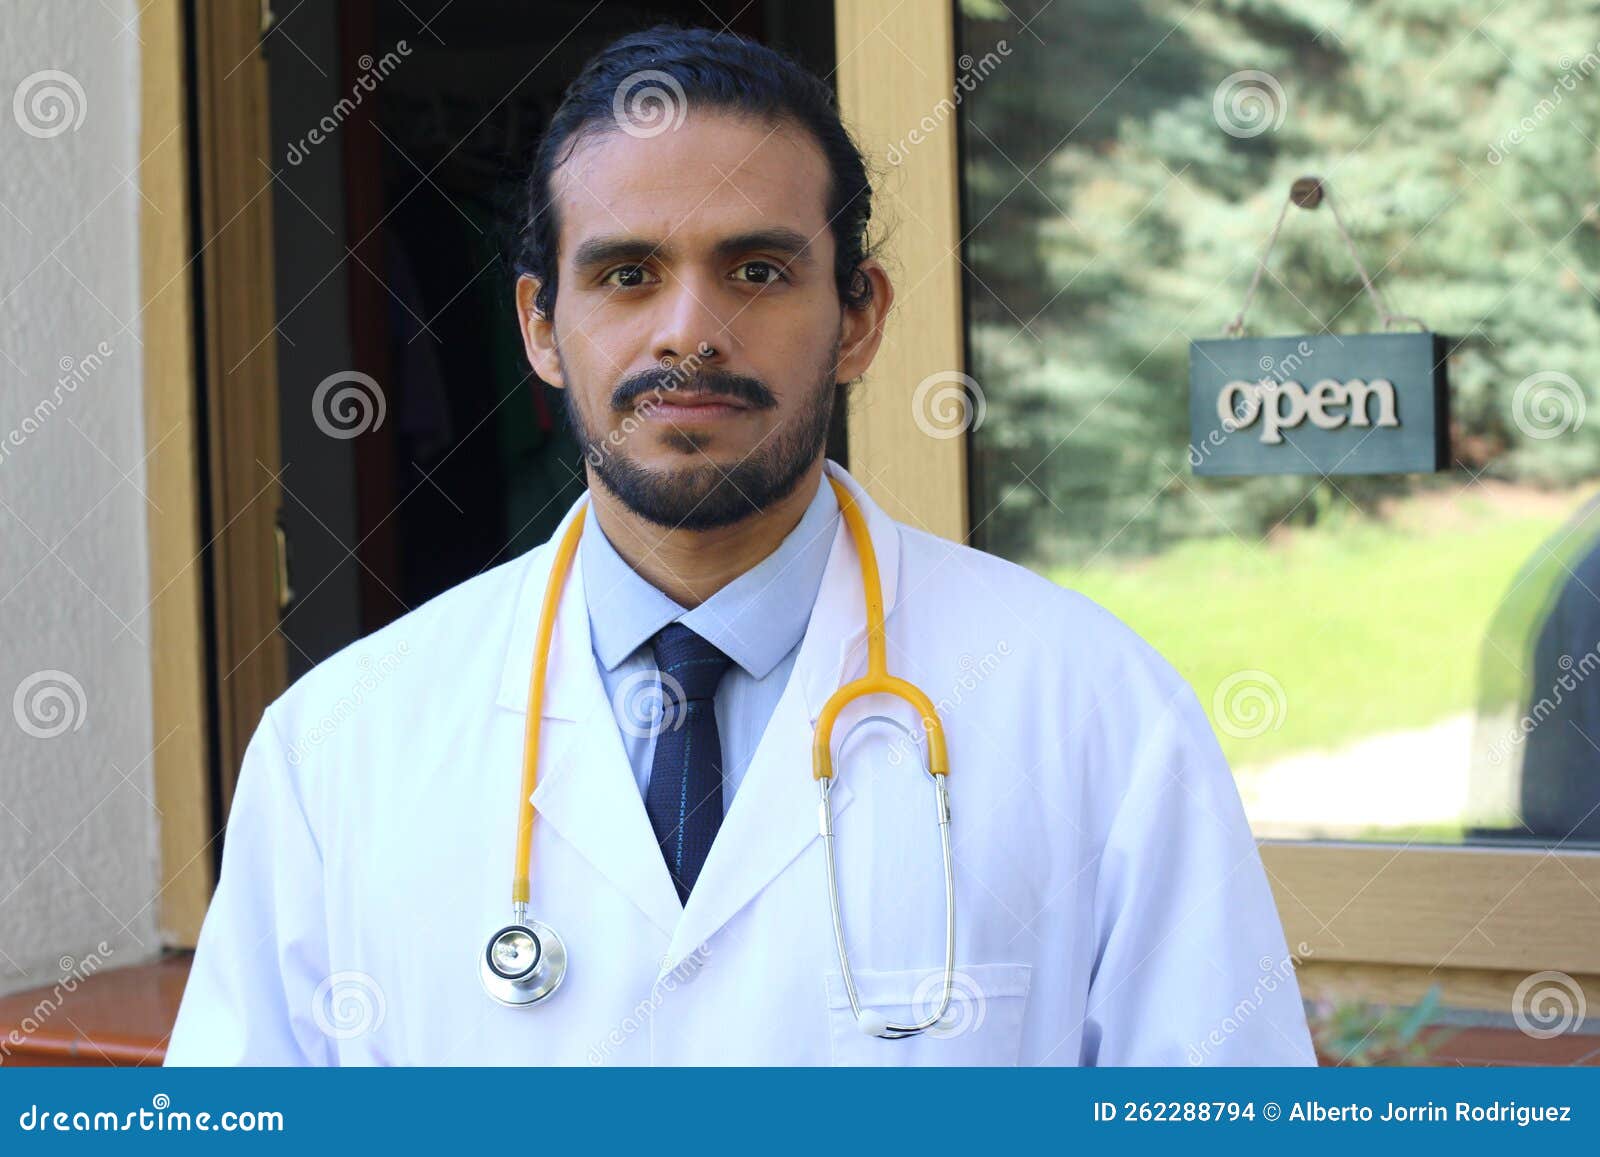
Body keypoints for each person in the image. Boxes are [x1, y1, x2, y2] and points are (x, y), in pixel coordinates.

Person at [165, 24, 1314, 1067]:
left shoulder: (1091, 708)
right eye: (627, 274)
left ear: (858, 316)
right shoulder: (340, 744)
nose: (689, 333)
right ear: (539, 327)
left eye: (756, 271)